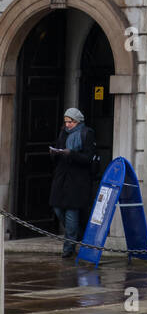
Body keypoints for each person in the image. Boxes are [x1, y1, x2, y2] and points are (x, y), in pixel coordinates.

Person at [49, 107, 96, 258]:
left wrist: (72, 154)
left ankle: (68, 248)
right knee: (57, 208)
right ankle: (77, 234)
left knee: (71, 213)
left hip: (77, 180)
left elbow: (88, 158)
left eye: (70, 122)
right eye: (66, 121)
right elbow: (58, 148)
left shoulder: (87, 133)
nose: (67, 124)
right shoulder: (63, 133)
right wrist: (54, 153)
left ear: (78, 121)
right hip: (61, 177)